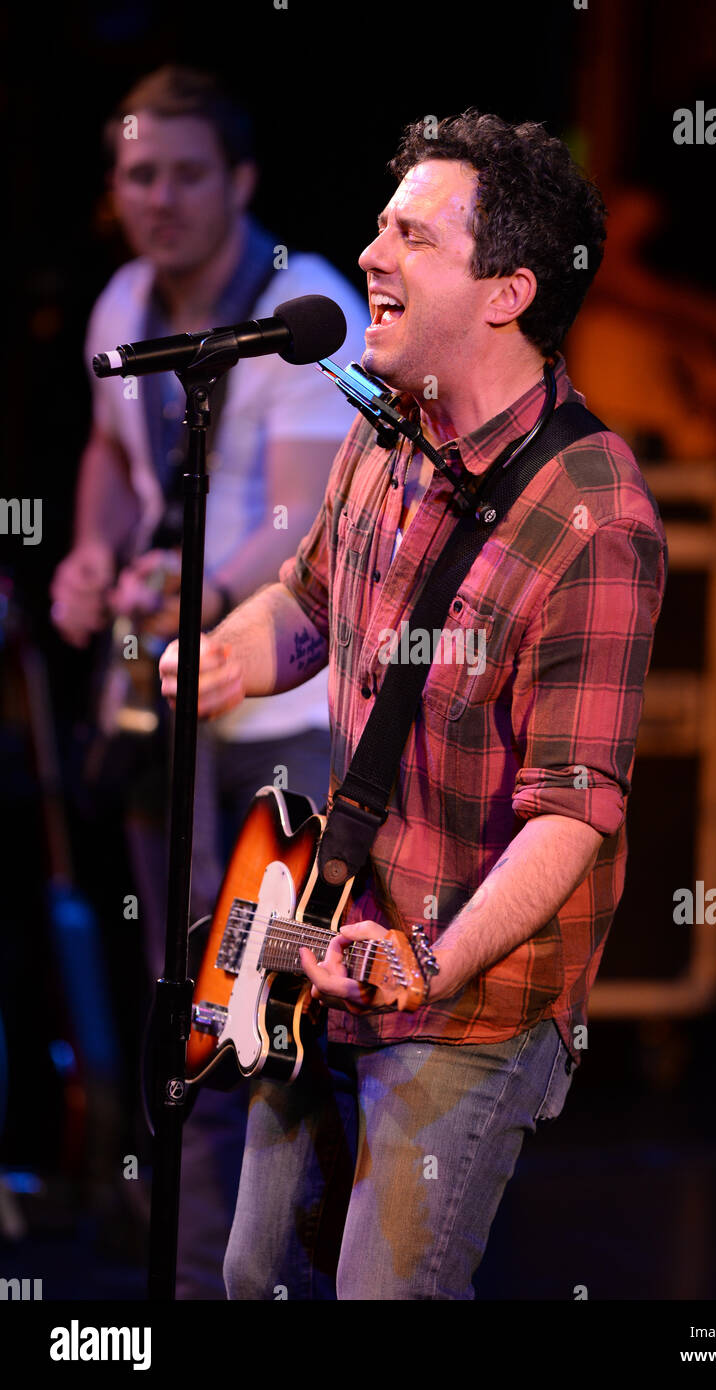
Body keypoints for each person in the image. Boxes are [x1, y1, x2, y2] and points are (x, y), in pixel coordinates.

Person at [161, 110, 668, 1300]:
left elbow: (573, 811)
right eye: (380, 226)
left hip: (471, 994)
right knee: (254, 1278)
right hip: (326, 932)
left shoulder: (595, 518)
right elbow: (307, 599)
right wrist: (227, 656)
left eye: (409, 236)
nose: (371, 256)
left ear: (506, 292)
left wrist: (428, 962)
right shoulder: (385, 432)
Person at [49, 66, 368, 1297]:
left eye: (187, 173)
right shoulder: (124, 300)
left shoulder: (305, 305)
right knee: (177, 1010)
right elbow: (112, 455)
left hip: (277, 723)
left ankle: (261, 1278)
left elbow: (301, 522)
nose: (161, 199)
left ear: (239, 182)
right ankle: (181, 1272)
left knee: (271, 1031)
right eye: (139, 174)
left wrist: (172, 571)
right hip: (162, 706)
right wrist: (93, 551)